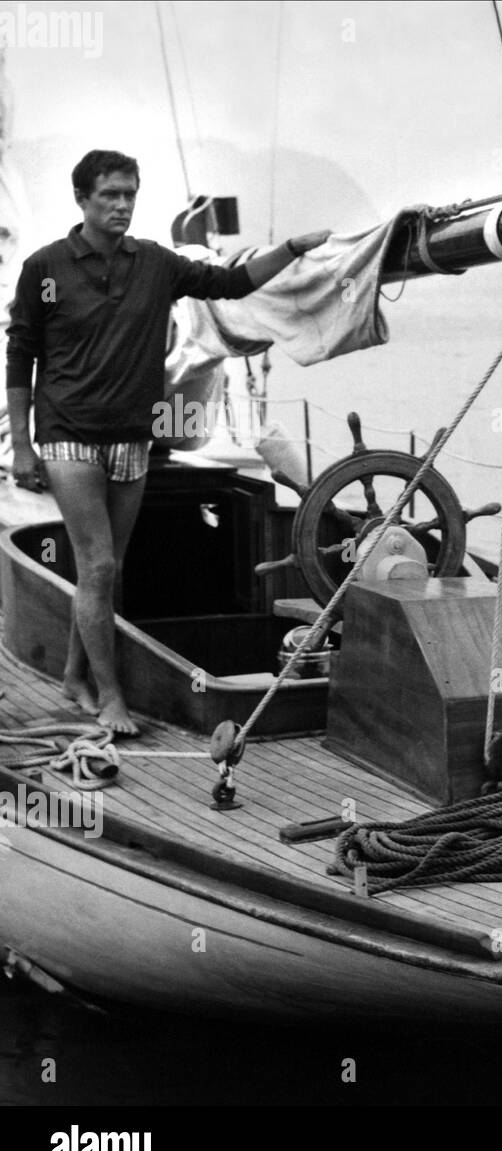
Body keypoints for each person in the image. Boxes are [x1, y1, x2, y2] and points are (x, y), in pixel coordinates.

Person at [5, 149, 330, 735]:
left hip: (132, 437)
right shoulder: (46, 269)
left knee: (106, 571)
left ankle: (75, 676)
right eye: (109, 194)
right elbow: (21, 351)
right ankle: (111, 697)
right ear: (82, 199)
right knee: (99, 565)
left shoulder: (155, 264)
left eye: (129, 193)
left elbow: (230, 283)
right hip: (67, 436)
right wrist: (24, 445)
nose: (122, 205)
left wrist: (291, 249)